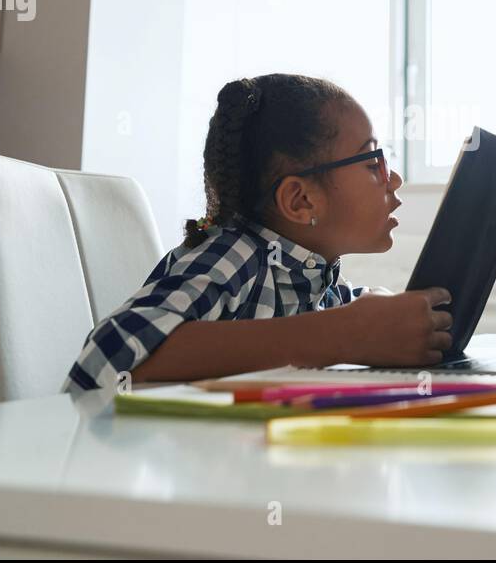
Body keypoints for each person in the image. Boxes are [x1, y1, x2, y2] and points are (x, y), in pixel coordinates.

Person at [66, 74, 452, 391]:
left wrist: (389, 317)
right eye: (373, 162)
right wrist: (344, 334)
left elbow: (355, 311)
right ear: (300, 200)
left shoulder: (314, 282)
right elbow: (107, 360)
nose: (394, 179)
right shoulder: (234, 255)